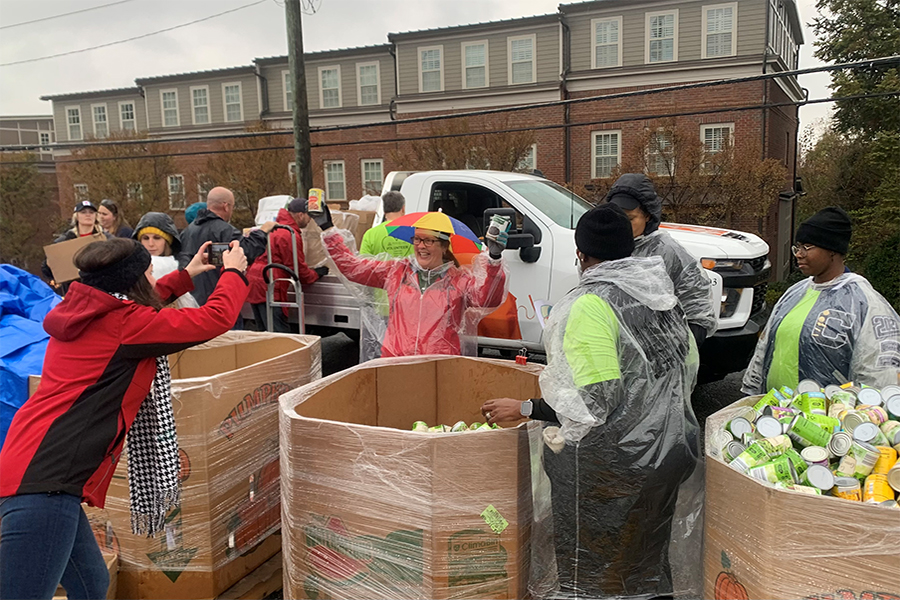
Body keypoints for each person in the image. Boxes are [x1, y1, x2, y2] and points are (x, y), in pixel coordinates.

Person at [0, 237, 249, 600]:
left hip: (32, 466)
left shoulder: (84, 312)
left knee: (92, 585)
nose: (153, 278)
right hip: (46, 483)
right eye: (149, 272)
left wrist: (184, 276)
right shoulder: (126, 326)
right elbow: (214, 318)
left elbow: (136, 308)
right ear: (132, 282)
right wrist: (235, 274)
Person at [481, 204, 700, 598]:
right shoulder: (660, 296)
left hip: (613, 467)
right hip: (669, 454)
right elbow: (685, 368)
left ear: (580, 254)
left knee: (592, 575)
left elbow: (593, 403)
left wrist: (526, 408)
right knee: (644, 563)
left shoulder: (589, 305)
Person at [316, 204, 508, 357]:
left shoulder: (458, 281)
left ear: (443, 247)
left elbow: (486, 299)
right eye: (417, 239)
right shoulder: (396, 271)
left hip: (438, 365)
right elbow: (352, 268)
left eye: (428, 240)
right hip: (396, 362)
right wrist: (328, 229)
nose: (420, 246)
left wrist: (493, 259)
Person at [743, 206, 900, 394]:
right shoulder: (794, 293)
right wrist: (751, 390)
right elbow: (765, 347)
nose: (798, 254)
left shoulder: (864, 302)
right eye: (797, 247)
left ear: (832, 249)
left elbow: (879, 371)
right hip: (777, 414)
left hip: (826, 418)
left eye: (807, 247)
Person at [605, 173, 716, 347]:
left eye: (629, 218)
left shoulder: (667, 252)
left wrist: (676, 350)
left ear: (648, 215)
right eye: (616, 217)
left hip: (660, 353)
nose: (622, 224)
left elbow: (698, 310)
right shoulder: (604, 247)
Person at [178, 187, 273, 308]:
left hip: (191, 298)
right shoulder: (223, 229)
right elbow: (246, 252)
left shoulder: (188, 230)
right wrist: (263, 231)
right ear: (226, 206)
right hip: (218, 297)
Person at [246, 197, 328, 332]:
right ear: (300, 215)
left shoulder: (274, 228)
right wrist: (315, 274)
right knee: (279, 334)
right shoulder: (289, 233)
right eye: (309, 216)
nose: (310, 220)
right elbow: (296, 268)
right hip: (270, 284)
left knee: (264, 331)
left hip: (256, 283)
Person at [41, 200, 109, 291]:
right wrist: (50, 265)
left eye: (91, 212)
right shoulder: (64, 241)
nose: (88, 215)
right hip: (74, 290)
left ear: (96, 216)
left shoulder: (106, 239)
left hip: (100, 288)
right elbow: (47, 269)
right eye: (83, 212)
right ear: (76, 216)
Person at [134, 211, 197, 308]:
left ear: (167, 242)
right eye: (145, 238)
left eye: (157, 238)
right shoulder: (132, 266)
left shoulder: (183, 264)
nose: (151, 244)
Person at [359, 191, 414, 258]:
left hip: (380, 268)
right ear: (403, 209)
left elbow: (364, 262)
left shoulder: (370, 234)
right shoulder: (415, 233)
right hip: (408, 268)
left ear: (384, 210)